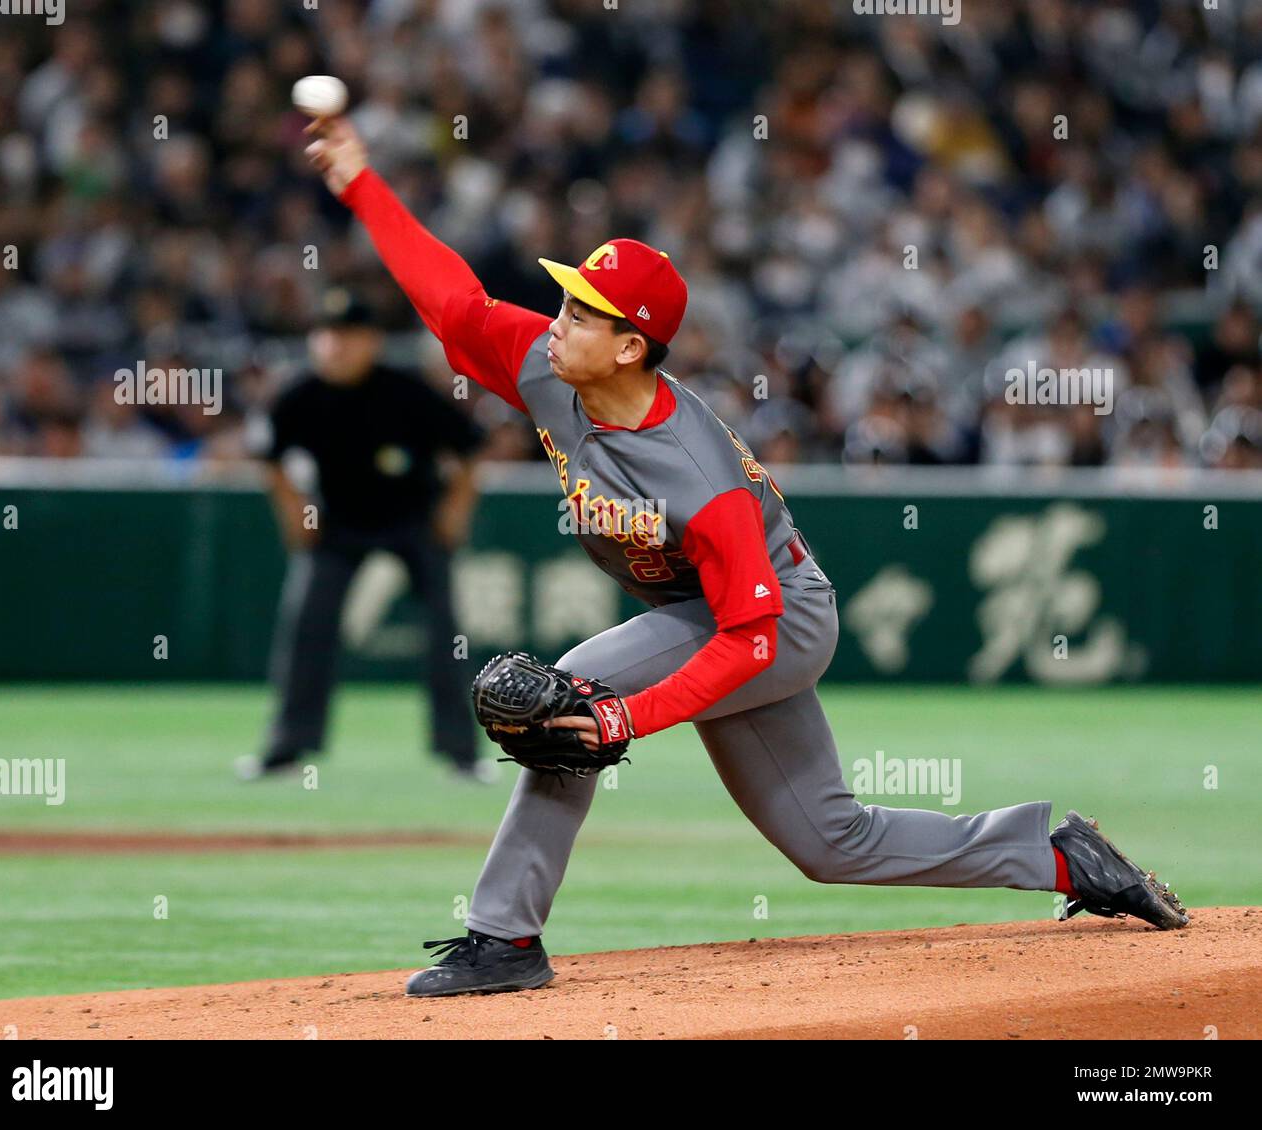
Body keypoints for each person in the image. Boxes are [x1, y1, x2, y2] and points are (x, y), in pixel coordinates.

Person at [303, 117, 1189, 998]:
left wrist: (626, 720)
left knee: (570, 702)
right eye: (566, 302)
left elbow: (751, 639)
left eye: (582, 312)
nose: (558, 323)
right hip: (703, 615)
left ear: (630, 347)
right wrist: (360, 182)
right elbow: (449, 301)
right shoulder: (550, 368)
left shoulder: (698, 476)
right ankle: (1058, 856)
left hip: (776, 617)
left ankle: (506, 936)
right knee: (832, 843)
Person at [236, 286, 493, 783]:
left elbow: (470, 448)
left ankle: (462, 753)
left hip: (413, 520)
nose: (336, 346)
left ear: (373, 342)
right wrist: (295, 511)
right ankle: (286, 748)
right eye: (328, 335)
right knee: (307, 625)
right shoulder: (299, 394)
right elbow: (268, 458)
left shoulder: (405, 390)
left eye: (349, 336)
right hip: (338, 525)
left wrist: (456, 508)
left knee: (446, 633)